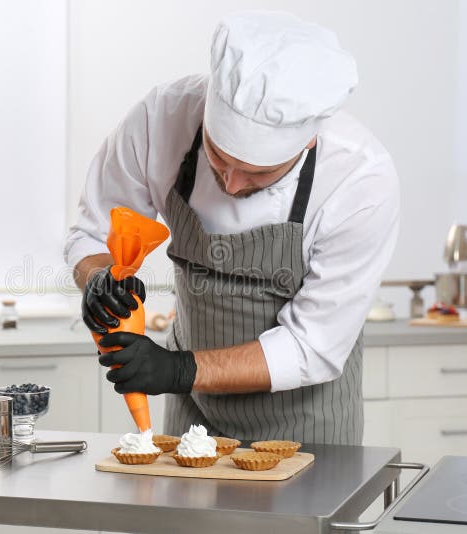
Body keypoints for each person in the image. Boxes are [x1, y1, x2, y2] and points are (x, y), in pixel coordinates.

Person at [65, 11, 399, 444]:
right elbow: (92, 232)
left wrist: (179, 369)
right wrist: (96, 278)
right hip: (193, 416)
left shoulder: (360, 180)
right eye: (218, 157)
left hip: (306, 426)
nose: (231, 182)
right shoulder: (161, 118)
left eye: (259, 173)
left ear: (309, 140)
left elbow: (312, 346)